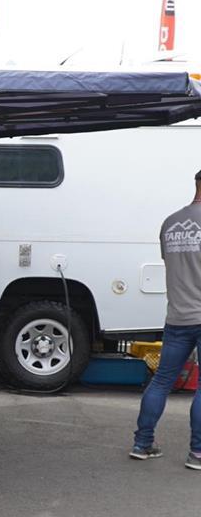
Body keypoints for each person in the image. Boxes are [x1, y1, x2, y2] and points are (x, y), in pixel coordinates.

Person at [132, 169, 201, 469]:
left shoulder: (170, 224)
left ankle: (142, 443)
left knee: (160, 381)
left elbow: (172, 264)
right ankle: (198, 453)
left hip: (177, 316)